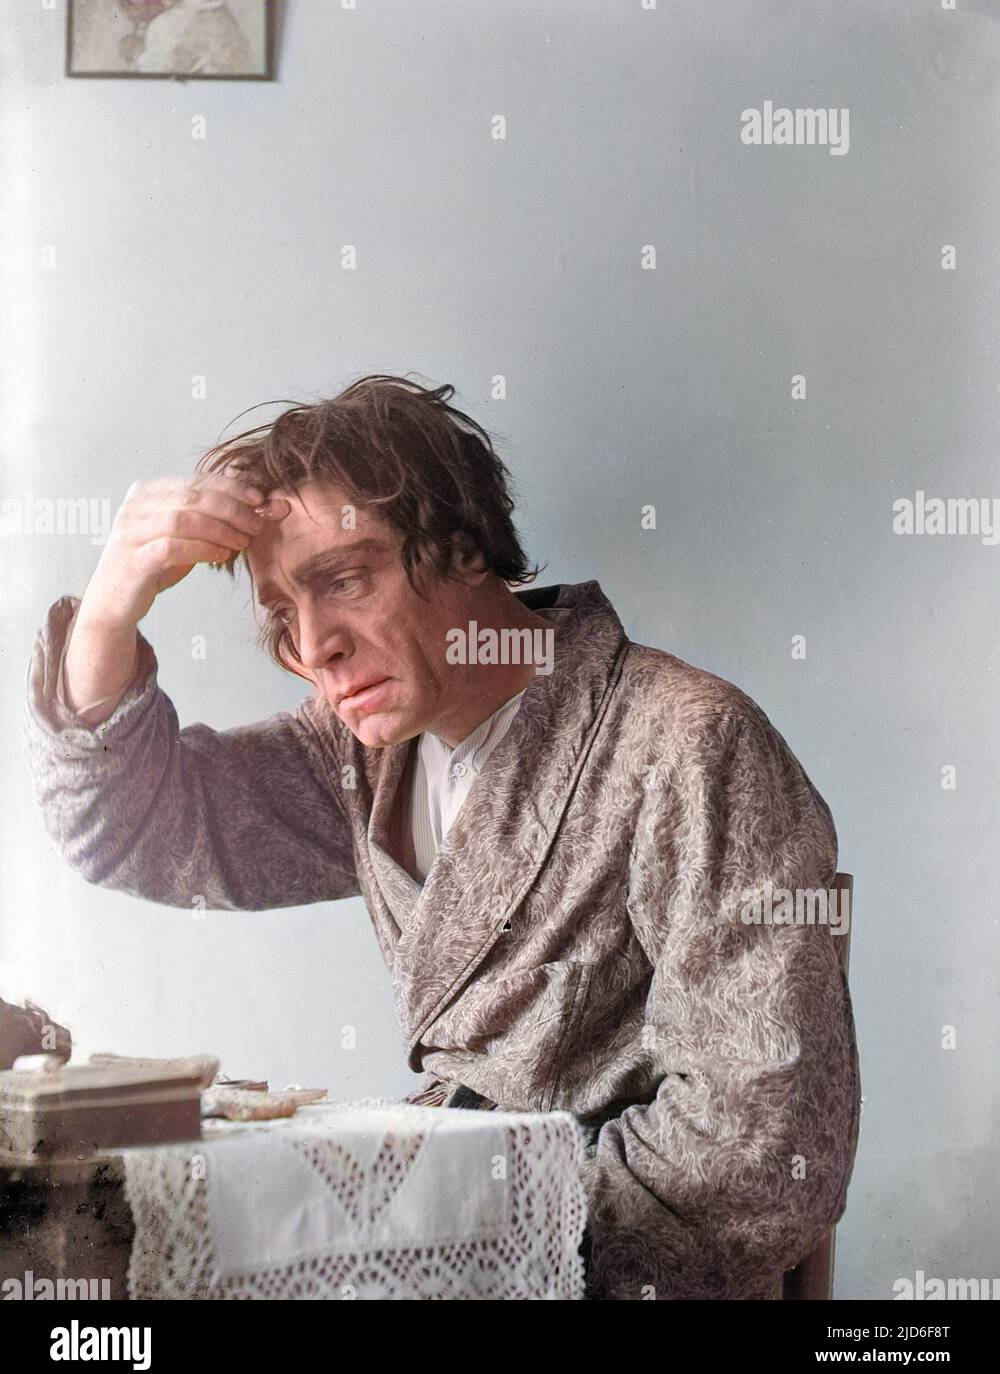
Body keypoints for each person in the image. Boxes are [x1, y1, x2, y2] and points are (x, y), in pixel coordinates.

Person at [22, 373, 861, 1300]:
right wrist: (108, 615)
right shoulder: (360, 758)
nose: (315, 648)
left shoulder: (688, 743)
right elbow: (130, 826)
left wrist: (455, 1237)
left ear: (464, 546)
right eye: (280, 617)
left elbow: (756, 1155)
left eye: (344, 580)